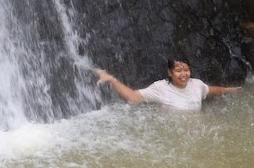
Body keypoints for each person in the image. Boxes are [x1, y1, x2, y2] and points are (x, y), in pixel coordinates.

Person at [94, 57, 243, 111]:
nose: (183, 74)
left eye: (186, 70)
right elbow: (133, 97)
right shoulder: (160, 88)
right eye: (178, 70)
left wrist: (230, 90)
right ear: (170, 72)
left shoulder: (197, 84)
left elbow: (211, 90)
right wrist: (111, 80)